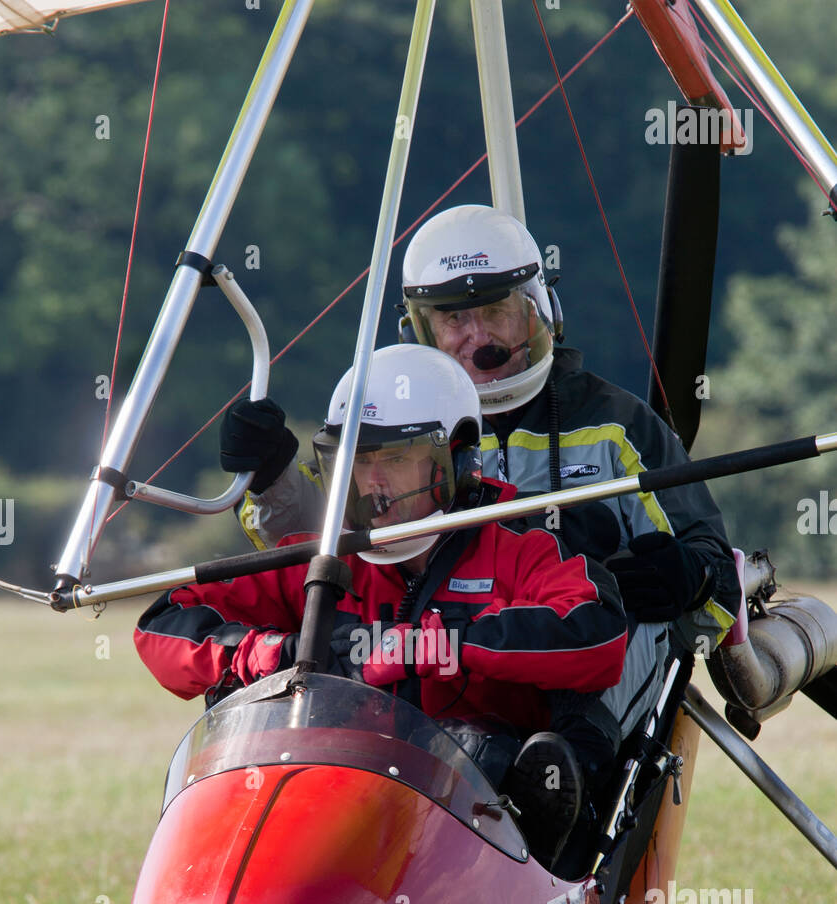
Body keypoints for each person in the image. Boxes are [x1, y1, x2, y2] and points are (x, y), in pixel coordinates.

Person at [224, 204, 741, 746]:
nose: (478, 339)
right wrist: (273, 477)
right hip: (436, 675)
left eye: (495, 311)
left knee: (627, 625)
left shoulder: (617, 423)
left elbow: (718, 585)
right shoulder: (396, 427)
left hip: (576, 670)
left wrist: (691, 577)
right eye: (453, 319)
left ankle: (570, 773)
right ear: (419, 328)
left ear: (537, 309)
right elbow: (338, 549)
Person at [137, 345, 628, 866]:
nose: (372, 486)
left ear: (458, 459)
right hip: (333, 815)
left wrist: (445, 644)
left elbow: (595, 630)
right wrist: (263, 655)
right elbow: (162, 624)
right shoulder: (315, 557)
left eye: (394, 460)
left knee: (517, 748)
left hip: (484, 832)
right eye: (355, 461)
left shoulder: (520, 545)